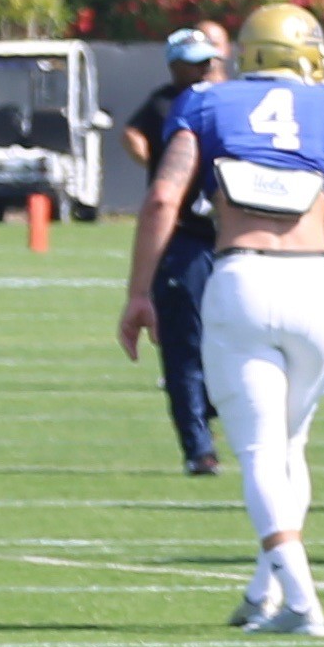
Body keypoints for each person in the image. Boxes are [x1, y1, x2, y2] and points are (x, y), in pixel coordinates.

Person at [117, 5, 324, 636]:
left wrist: (139, 292)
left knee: (261, 451)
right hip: (318, 283)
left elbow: (161, 197)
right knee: (291, 448)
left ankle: (301, 599)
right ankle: (264, 592)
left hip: (244, 279)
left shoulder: (205, 102)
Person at [122, 25, 229, 474]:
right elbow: (132, 133)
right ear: (174, 64)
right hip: (183, 236)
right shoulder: (164, 104)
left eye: (207, 59)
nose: (203, 68)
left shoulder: (227, 102)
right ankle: (198, 448)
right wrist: (155, 162)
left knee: (228, 342)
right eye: (193, 61)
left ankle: (209, 409)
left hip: (230, 238)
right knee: (183, 345)